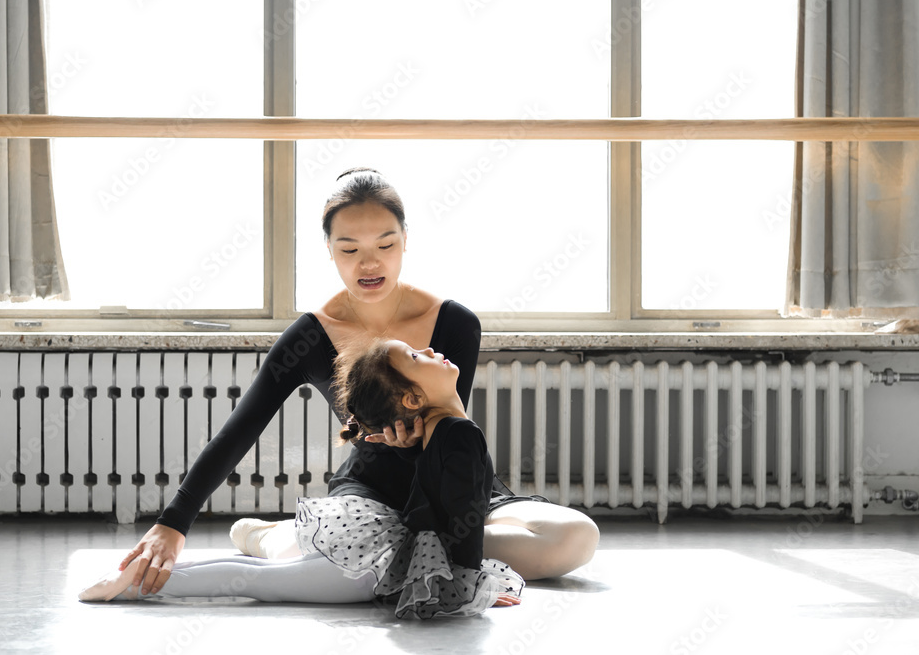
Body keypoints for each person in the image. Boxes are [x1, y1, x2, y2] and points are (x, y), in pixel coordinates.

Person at [120, 167, 599, 597]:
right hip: (367, 497)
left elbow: (452, 423)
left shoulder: (454, 324)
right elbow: (241, 429)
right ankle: (268, 535)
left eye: (386, 245)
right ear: (328, 249)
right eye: (349, 249)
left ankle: (372, 551)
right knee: (347, 560)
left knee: (576, 538)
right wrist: (172, 523)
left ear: (406, 240)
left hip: (455, 494)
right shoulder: (309, 336)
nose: (369, 264)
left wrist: (420, 449)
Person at [78, 337, 523, 619]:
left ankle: (138, 577)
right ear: (412, 397)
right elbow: (464, 522)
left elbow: (438, 512)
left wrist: (462, 577)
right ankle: (136, 583)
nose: (429, 349)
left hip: (378, 553)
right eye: (414, 355)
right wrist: (467, 586)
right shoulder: (457, 433)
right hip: (375, 564)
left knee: (263, 575)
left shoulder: (443, 433)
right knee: (260, 581)